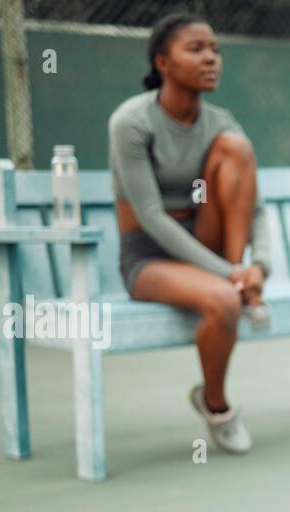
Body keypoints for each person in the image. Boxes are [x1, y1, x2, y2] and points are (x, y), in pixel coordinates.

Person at [108, 12, 272, 454]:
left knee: (235, 150)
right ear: (163, 62)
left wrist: (258, 265)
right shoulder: (131, 122)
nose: (211, 59)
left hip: (209, 247)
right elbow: (151, 217)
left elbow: (254, 206)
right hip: (149, 258)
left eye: (215, 50)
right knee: (222, 303)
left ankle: (237, 282)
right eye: (196, 49)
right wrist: (231, 278)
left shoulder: (221, 122)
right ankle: (216, 406)